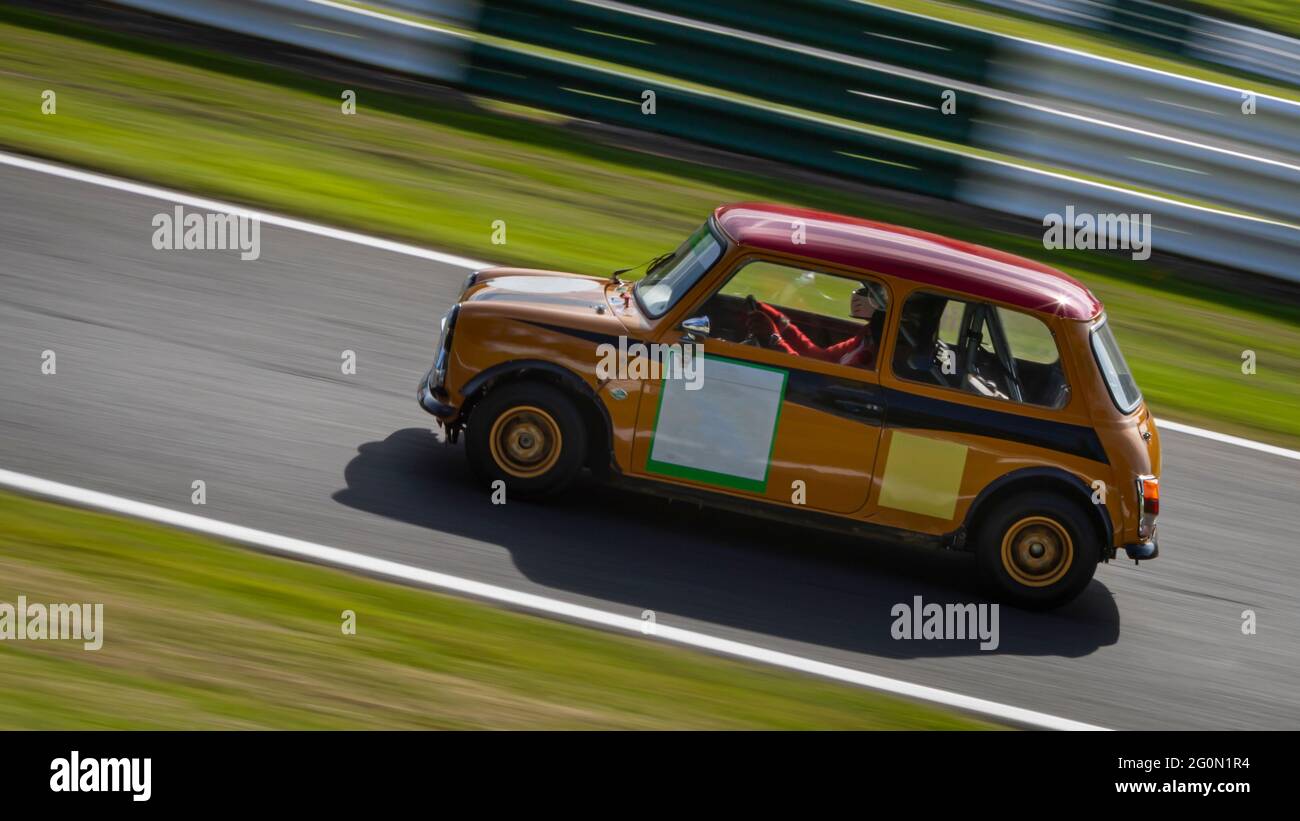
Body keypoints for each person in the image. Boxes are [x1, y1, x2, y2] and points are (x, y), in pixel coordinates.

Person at [747, 281, 887, 369]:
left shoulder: (869, 356)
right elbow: (820, 357)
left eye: (873, 292)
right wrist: (779, 321)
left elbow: (811, 376)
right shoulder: (866, 337)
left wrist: (774, 339)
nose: (862, 293)